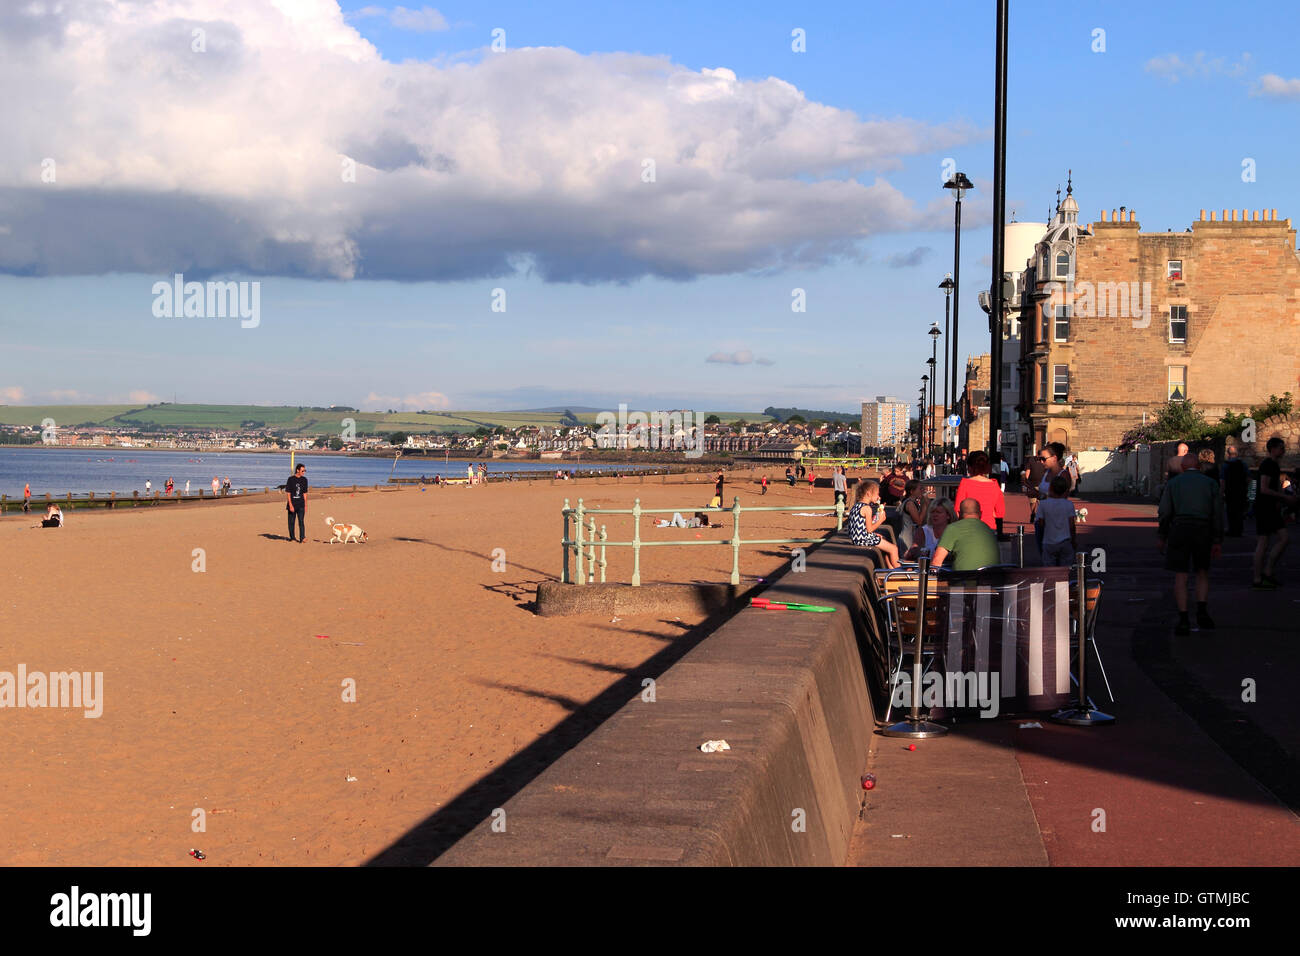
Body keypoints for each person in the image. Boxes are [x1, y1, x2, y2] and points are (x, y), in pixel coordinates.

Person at [1158, 452, 1223, 633]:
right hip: (1203, 529)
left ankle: (1184, 617)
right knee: (1202, 571)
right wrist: (1217, 539)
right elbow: (1217, 513)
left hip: (1180, 528)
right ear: (1199, 467)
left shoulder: (1173, 483)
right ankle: (1202, 611)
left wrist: (1162, 535)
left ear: (1182, 467)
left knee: (1181, 575)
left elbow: (1164, 512)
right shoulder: (1210, 484)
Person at [1252, 437, 1289, 589]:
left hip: (1269, 507)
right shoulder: (1268, 464)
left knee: (1281, 538)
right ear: (1273, 449)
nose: (1283, 451)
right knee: (1265, 541)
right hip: (1265, 507)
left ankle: (1265, 572)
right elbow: (1264, 488)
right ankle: (1260, 575)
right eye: (1281, 448)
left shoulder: (1272, 465)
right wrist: (1284, 497)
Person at [932, 498, 1001, 571]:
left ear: (958, 514)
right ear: (980, 513)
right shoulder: (989, 530)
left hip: (964, 580)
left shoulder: (953, 528)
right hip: (992, 579)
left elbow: (936, 563)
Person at [846, 480, 900, 568]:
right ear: (868, 494)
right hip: (863, 540)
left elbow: (861, 527)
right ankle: (898, 568)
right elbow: (869, 529)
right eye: (877, 494)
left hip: (856, 538)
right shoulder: (867, 508)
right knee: (894, 548)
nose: (879, 497)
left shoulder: (856, 506)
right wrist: (881, 520)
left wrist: (873, 534)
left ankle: (890, 568)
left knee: (884, 542)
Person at [955, 450, 1006, 536]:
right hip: (989, 529)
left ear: (970, 467)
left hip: (969, 528)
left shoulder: (965, 484)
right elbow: (1000, 512)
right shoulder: (994, 484)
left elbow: (957, 510)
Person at [1036, 475, 1078, 567]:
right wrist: (1074, 541)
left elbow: (1041, 524)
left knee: (1049, 571)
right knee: (1065, 571)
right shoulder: (1069, 504)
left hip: (1049, 541)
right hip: (1065, 541)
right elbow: (1072, 526)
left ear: (1050, 488)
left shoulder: (1043, 504)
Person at [1220, 445, 1249, 537]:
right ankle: (1239, 529)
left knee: (1230, 511)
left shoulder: (1225, 465)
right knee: (1239, 511)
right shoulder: (1243, 464)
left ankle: (1232, 529)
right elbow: (1249, 478)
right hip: (1241, 491)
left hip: (1230, 491)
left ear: (1228, 454)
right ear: (1236, 454)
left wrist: (1221, 492)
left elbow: (1222, 480)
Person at [898, 479, 928, 553]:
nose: (922, 490)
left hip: (910, 536)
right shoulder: (910, 504)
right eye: (920, 489)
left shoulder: (912, 502)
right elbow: (918, 521)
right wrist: (925, 505)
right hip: (907, 538)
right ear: (912, 491)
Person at [285, 463, 309, 543]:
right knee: (291, 522)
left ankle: (302, 538)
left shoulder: (304, 480)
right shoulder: (291, 479)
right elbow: (288, 493)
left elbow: (305, 493)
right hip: (292, 503)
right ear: (298, 470)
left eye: (304, 470)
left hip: (301, 504)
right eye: (302, 470)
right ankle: (292, 538)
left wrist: (306, 504)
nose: (304, 472)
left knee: (301, 521)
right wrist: (290, 504)